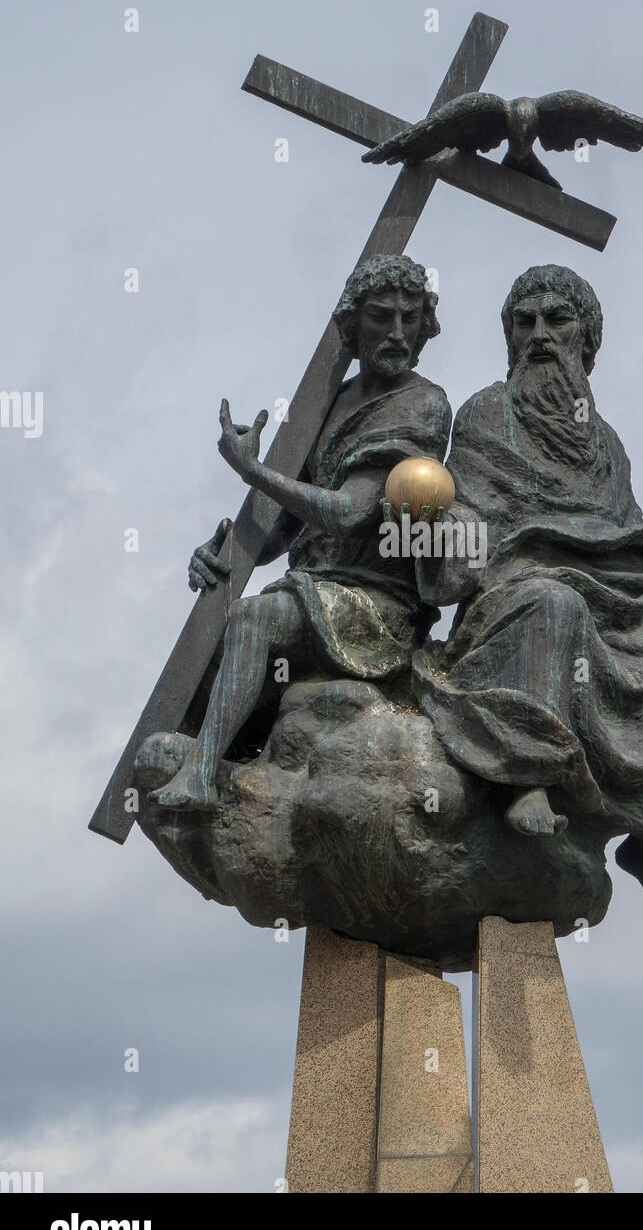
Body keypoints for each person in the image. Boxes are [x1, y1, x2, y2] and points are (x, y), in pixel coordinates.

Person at [412, 265, 643, 916]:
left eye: (556, 320)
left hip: (609, 604)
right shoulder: (487, 414)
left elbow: (634, 555)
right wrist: (432, 527)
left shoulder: (607, 447)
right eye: (523, 322)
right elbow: (472, 522)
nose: (538, 335)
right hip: (512, 593)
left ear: (585, 339)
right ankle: (523, 776)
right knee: (552, 607)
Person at [151, 254, 450, 812]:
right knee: (215, 641)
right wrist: (227, 547)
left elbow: (349, 514)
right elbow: (286, 529)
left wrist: (252, 471)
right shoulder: (327, 402)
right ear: (353, 325)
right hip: (311, 587)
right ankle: (226, 754)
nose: (398, 332)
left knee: (253, 617)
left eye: (411, 319)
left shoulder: (423, 403)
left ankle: (201, 773)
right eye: (382, 317)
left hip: (372, 601)